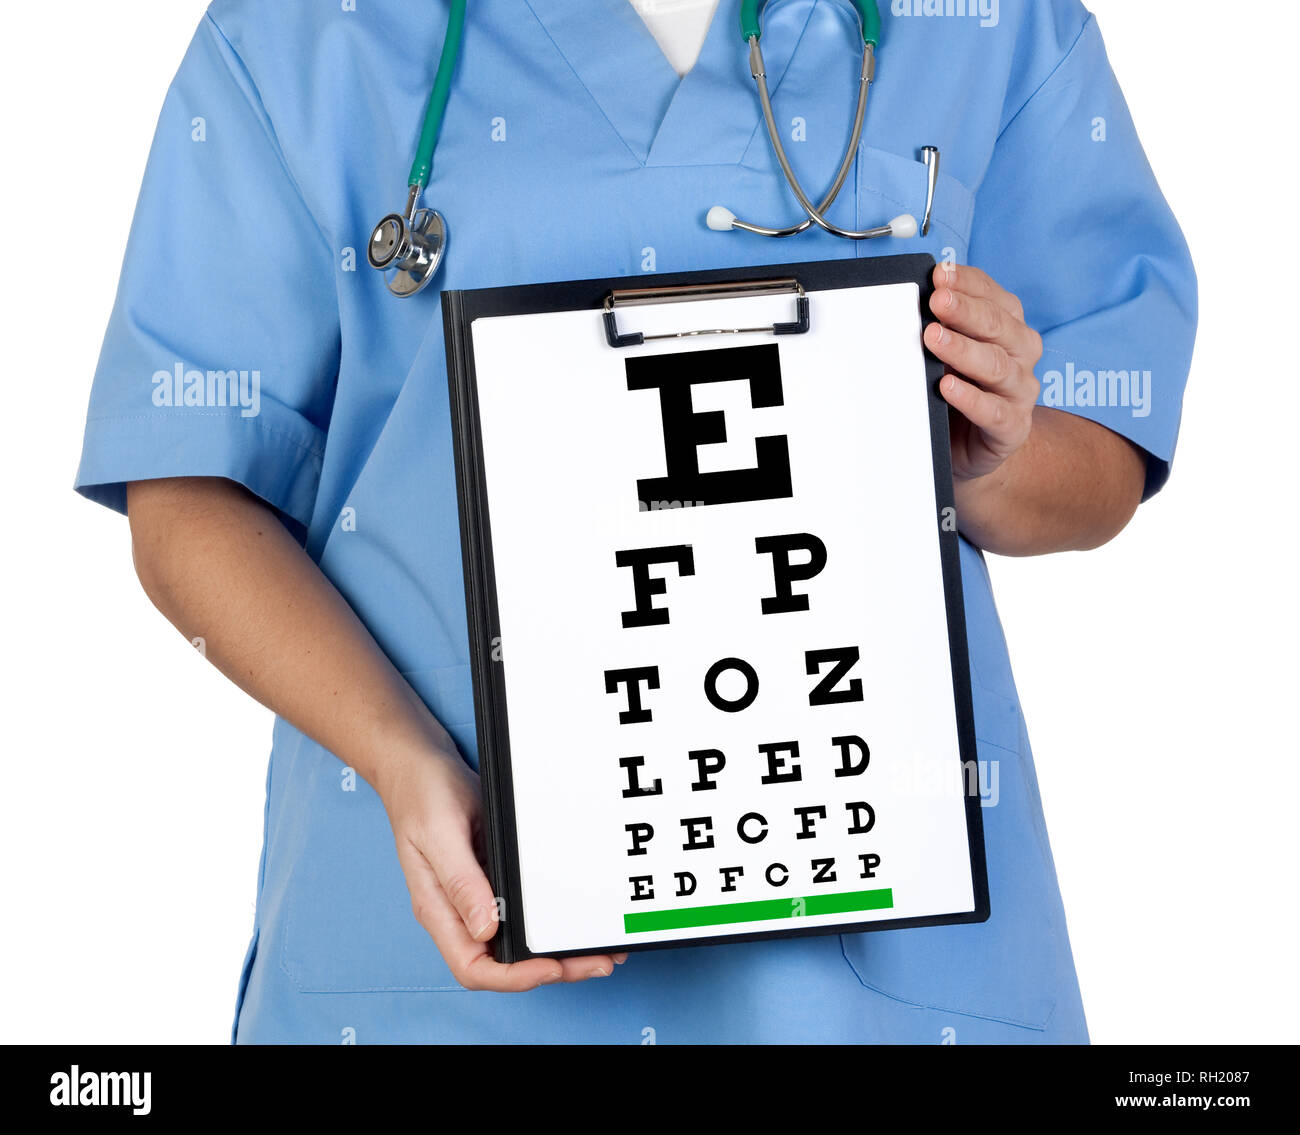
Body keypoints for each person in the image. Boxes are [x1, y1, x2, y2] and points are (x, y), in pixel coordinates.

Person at [75, 0, 1196, 1044]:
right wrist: (401, 759)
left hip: (876, 962)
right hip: (442, 934)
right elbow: (188, 485)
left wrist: (985, 457)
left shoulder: (986, 25)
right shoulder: (307, 32)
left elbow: (1105, 445)